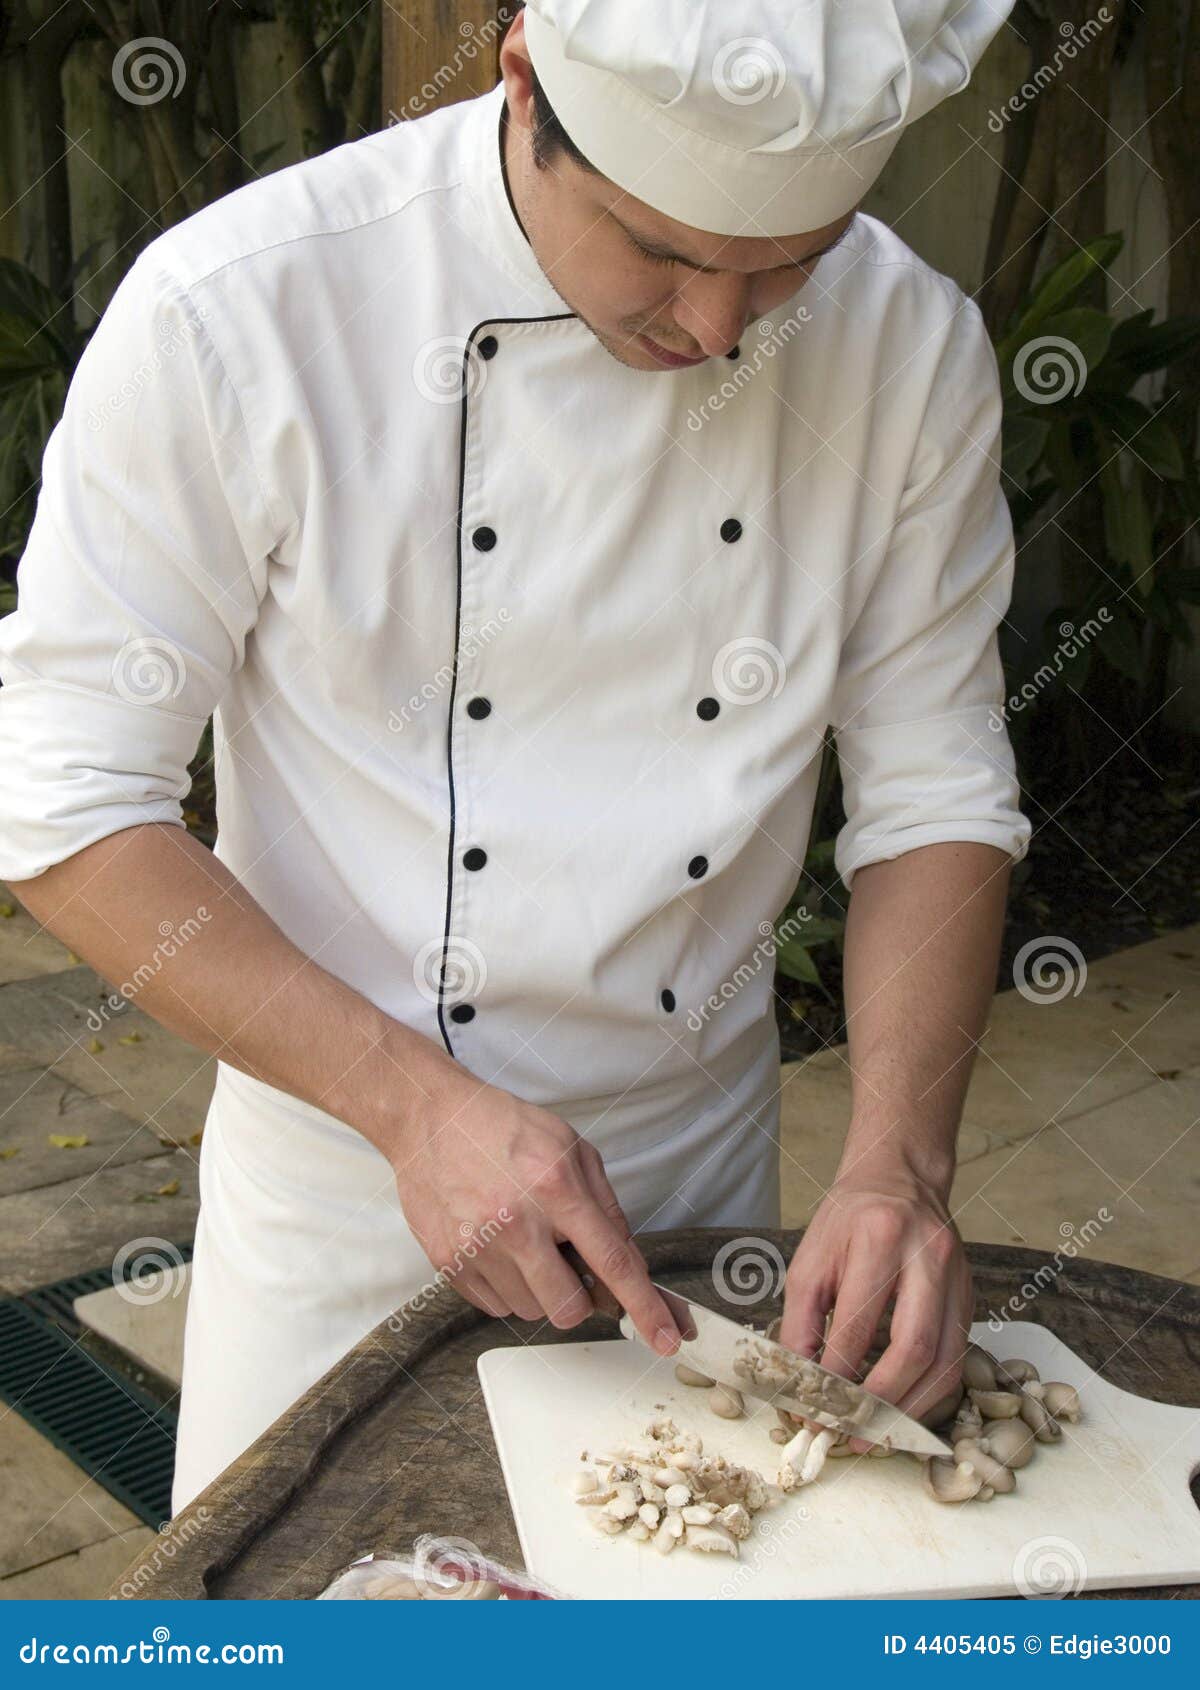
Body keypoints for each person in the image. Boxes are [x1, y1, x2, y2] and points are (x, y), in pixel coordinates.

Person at [0, 0, 1028, 1515]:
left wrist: (897, 1168)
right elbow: (64, 805)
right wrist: (416, 1110)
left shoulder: (912, 349)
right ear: (524, 81)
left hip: (694, 1210)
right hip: (343, 1212)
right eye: (662, 253)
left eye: (786, 266)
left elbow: (935, 793)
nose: (720, 328)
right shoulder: (243, 313)